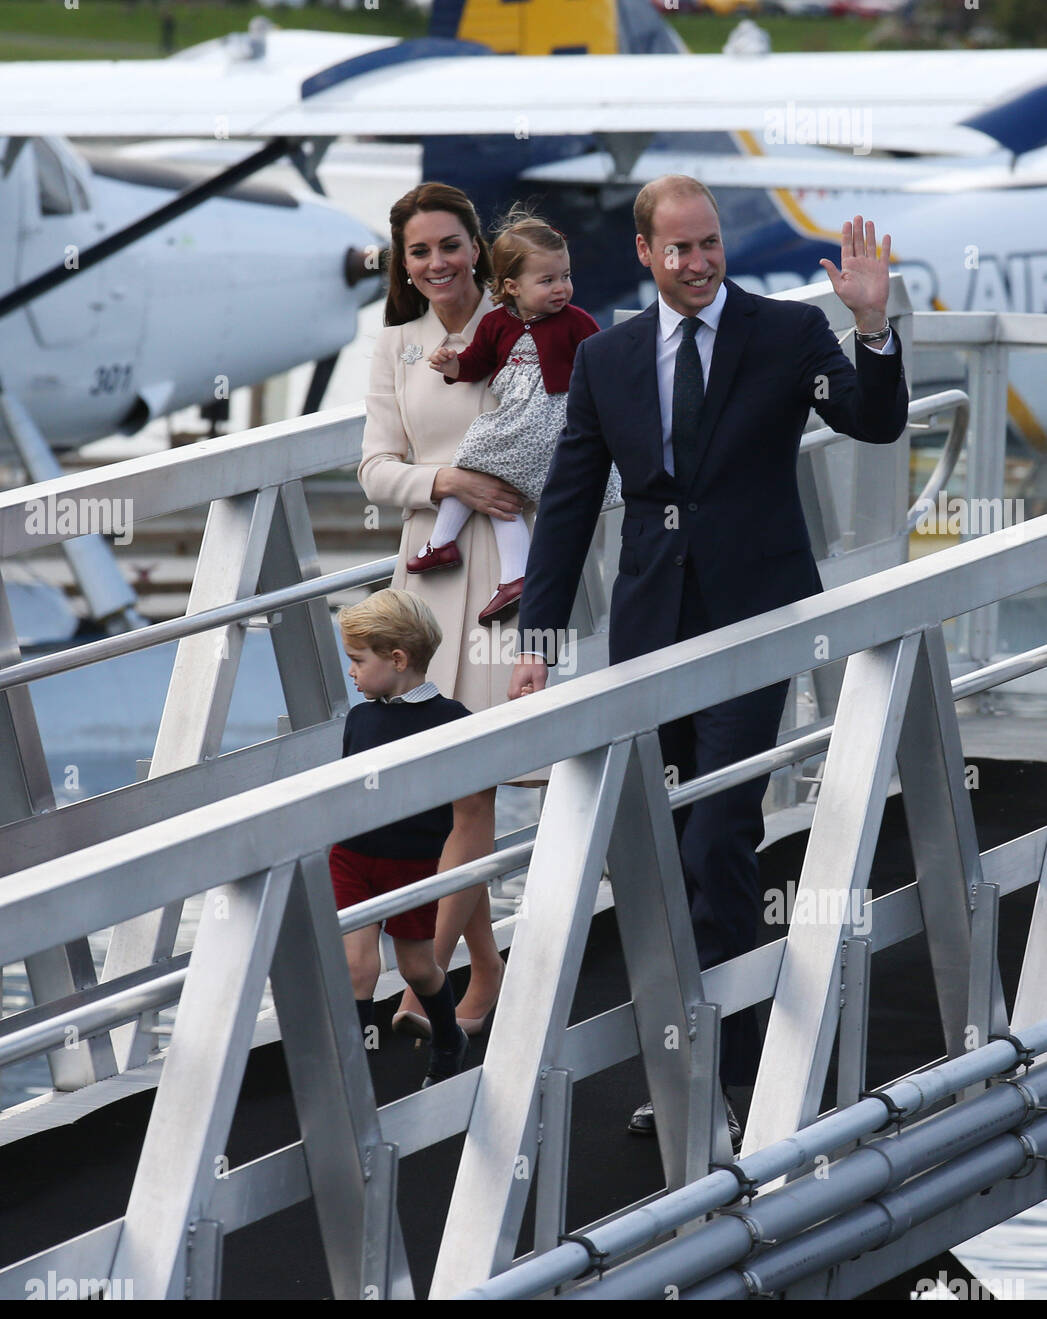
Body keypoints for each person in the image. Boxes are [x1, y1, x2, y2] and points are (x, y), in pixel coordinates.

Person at [509, 176, 908, 1138]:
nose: (697, 264)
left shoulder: (785, 333)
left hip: (756, 619)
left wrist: (873, 327)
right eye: (677, 250)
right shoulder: (605, 361)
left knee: (716, 833)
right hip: (650, 632)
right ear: (644, 254)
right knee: (653, 848)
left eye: (710, 245)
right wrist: (536, 643)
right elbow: (567, 504)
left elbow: (873, 419)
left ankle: (723, 1075)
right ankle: (699, 1045)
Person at [356, 182, 522, 1042]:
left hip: (508, 571)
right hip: (427, 573)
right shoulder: (394, 342)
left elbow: (566, 431)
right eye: (418, 252)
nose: (436, 264)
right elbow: (375, 468)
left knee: (473, 792)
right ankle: (483, 970)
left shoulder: (521, 316)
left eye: (450, 245)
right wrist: (443, 480)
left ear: (475, 245)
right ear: (403, 264)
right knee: (448, 797)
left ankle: (425, 991)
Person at [419, 211, 620, 625]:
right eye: (547, 281)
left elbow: (605, 363)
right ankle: (509, 575)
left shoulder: (576, 322)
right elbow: (474, 364)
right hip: (518, 422)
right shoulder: (497, 324)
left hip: (549, 422)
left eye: (565, 276)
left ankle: (442, 543)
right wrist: (450, 365)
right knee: (494, 489)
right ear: (512, 287)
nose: (562, 288)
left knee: (475, 456)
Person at [330, 590, 470, 1087]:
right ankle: (357, 1081)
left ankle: (449, 1036)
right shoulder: (361, 717)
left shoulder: (452, 720)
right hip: (351, 856)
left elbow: (468, 797)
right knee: (354, 965)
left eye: (357, 661)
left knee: (417, 967)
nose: (351, 672)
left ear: (397, 659)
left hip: (411, 862)